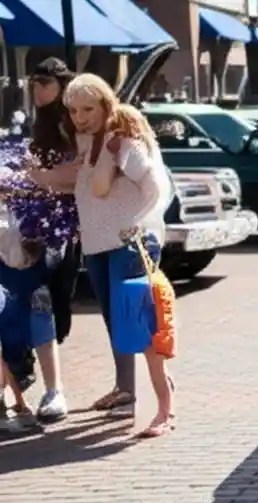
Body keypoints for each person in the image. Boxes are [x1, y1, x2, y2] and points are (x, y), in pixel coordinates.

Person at [64, 73, 177, 436]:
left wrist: (136, 224)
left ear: (105, 105)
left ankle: (161, 409)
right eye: (73, 110)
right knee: (119, 325)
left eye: (87, 109)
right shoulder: (91, 144)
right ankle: (130, 392)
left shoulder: (121, 142)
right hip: (98, 245)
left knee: (140, 324)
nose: (80, 117)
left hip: (128, 244)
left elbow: (154, 187)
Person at [1, 58, 80, 426]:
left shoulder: (72, 122)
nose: (37, 89)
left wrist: (36, 179)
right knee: (21, 308)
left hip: (58, 230)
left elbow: (77, 173)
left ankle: (52, 389)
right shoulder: (38, 124)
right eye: (33, 83)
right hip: (24, 230)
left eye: (44, 83)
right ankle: (18, 393)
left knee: (46, 305)